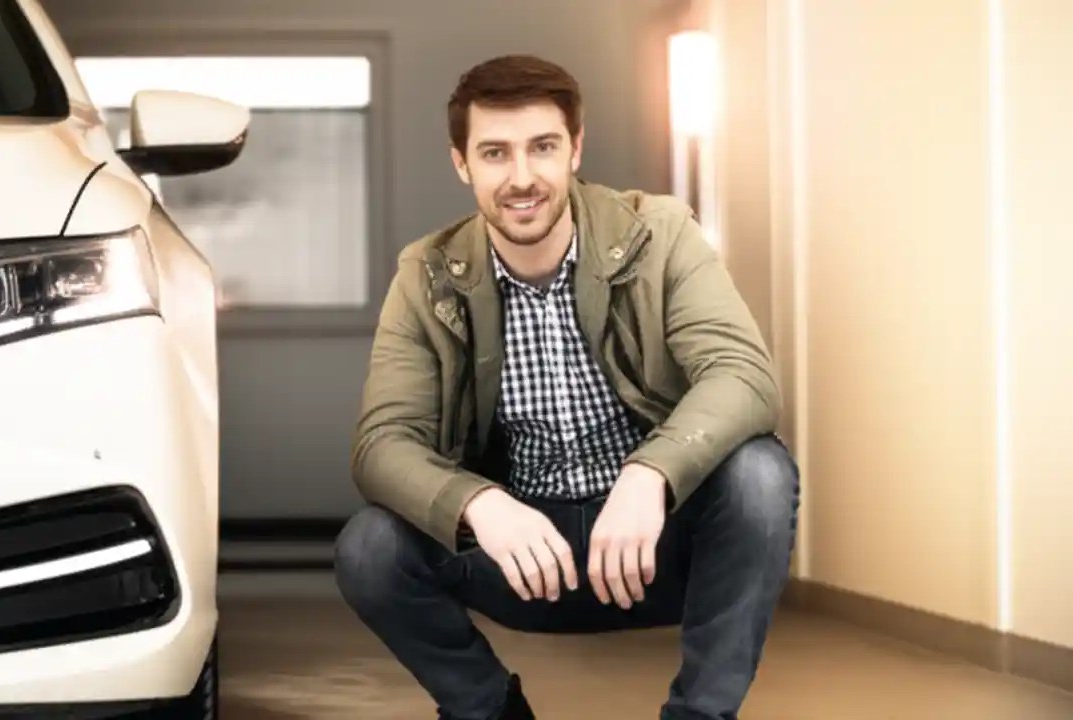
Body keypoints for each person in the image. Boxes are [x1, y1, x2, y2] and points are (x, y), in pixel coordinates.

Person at [334, 54, 800, 720]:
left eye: (543, 148)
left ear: (575, 149)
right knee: (369, 547)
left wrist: (650, 476)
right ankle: (488, 709)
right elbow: (380, 445)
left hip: (652, 545)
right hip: (522, 557)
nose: (521, 178)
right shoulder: (426, 273)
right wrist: (480, 505)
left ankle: (700, 714)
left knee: (760, 472)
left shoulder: (660, 234)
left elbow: (745, 376)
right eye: (495, 153)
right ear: (461, 163)